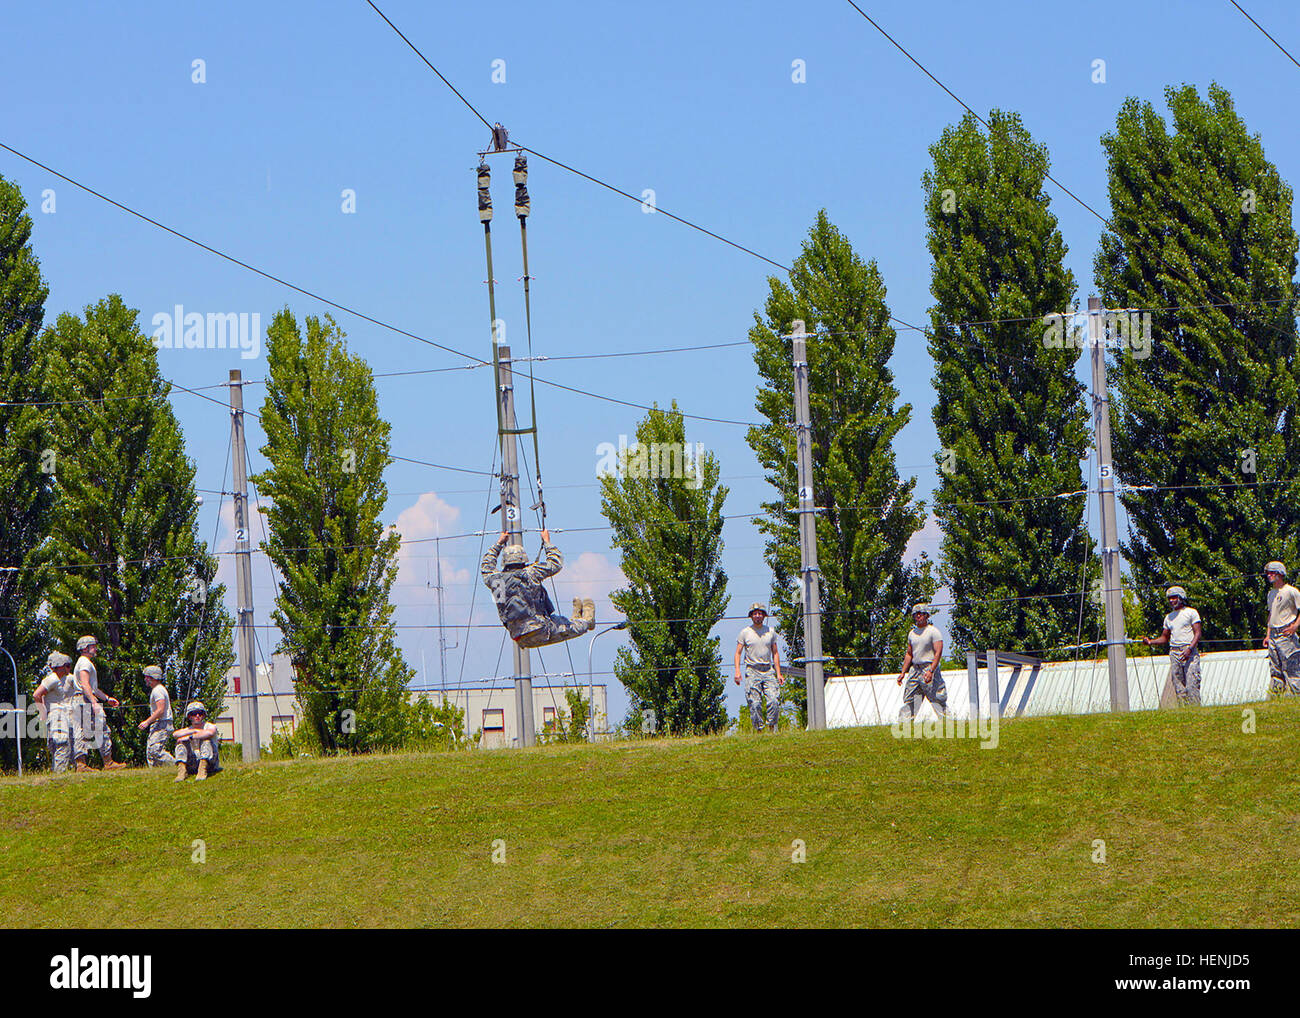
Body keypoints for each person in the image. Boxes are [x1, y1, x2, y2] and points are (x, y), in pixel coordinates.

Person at [482, 529, 594, 648]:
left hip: (518, 637)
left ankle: (576, 618)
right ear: (523, 559)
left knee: (558, 621)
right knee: (569, 628)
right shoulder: (531, 573)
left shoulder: (496, 580)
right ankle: (587, 621)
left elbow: (486, 567)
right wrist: (547, 541)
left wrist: (499, 543)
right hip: (540, 629)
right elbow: (555, 563)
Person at [72, 635, 127, 771]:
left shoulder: (84, 662)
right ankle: (101, 763)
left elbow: (94, 688)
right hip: (84, 700)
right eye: (93, 646)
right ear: (85, 648)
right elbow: (85, 685)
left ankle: (90, 763)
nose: (96, 649)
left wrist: (107, 698)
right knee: (94, 729)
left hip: (83, 699)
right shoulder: (84, 663)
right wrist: (94, 702)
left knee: (91, 729)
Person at [1142, 586, 1203, 705]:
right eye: (1169, 598)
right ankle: (1183, 711)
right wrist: (1150, 642)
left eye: (1174, 597)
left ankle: (1196, 710)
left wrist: (1190, 649)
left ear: (1181, 598)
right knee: (1178, 686)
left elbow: (1198, 633)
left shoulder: (1191, 612)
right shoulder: (1168, 618)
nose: (1171, 600)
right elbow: (1164, 638)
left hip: (1188, 650)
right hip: (1174, 652)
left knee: (1192, 685)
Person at [32, 652, 86, 773]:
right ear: (60, 666)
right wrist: (43, 713)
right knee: (61, 743)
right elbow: (37, 694)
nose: (69, 668)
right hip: (56, 715)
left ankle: (63, 771)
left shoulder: (68, 678)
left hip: (66, 715)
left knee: (68, 745)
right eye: (67, 665)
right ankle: (59, 774)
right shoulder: (51, 679)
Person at [734, 603, 783, 732]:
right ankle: (759, 730)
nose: (757, 616)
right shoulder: (745, 633)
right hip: (752, 670)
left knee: (773, 700)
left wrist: (778, 674)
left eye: (760, 613)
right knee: (755, 703)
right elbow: (738, 653)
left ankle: (772, 728)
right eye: (755, 614)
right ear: (751, 616)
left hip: (768, 670)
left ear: (764, 616)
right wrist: (737, 672)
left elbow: (775, 653)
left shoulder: (770, 632)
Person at [897, 604, 948, 720]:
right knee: (910, 698)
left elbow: (938, 652)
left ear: (926, 616)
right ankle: (905, 724)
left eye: (921, 614)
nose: (918, 616)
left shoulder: (933, 632)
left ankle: (946, 721)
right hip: (915, 669)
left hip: (928, 667)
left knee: (937, 697)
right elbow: (909, 654)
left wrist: (931, 670)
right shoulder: (912, 633)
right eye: (916, 614)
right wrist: (903, 672)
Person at [1263, 561, 1300, 696]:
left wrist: (1295, 626)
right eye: (1268, 573)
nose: (1269, 575)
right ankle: (1276, 697)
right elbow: (1271, 615)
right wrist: (1268, 635)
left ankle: (1296, 696)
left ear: (1280, 574)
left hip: (1286, 634)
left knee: (1292, 668)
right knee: (1275, 669)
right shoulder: (1271, 593)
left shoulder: (1291, 591)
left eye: (1272, 572)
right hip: (1273, 635)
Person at [138, 665, 176, 768]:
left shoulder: (158, 690)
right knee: (151, 752)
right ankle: (155, 773)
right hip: (160, 723)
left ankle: (178, 765)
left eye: (147, 677)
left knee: (155, 751)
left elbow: (160, 710)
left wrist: (147, 722)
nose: (145, 679)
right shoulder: (157, 690)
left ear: (153, 678)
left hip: (162, 723)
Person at [173, 701, 221, 781]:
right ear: (189, 716)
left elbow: (209, 733)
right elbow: (175, 734)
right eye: (194, 713)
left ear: (204, 715)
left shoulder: (209, 726)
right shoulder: (189, 729)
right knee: (180, 744)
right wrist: (193, 731)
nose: (197, 716)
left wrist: (190, 737)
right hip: (193, 763)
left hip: (210, 763)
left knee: (206, 741)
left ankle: (202, 770)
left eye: (200, 713)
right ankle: (182, 772)